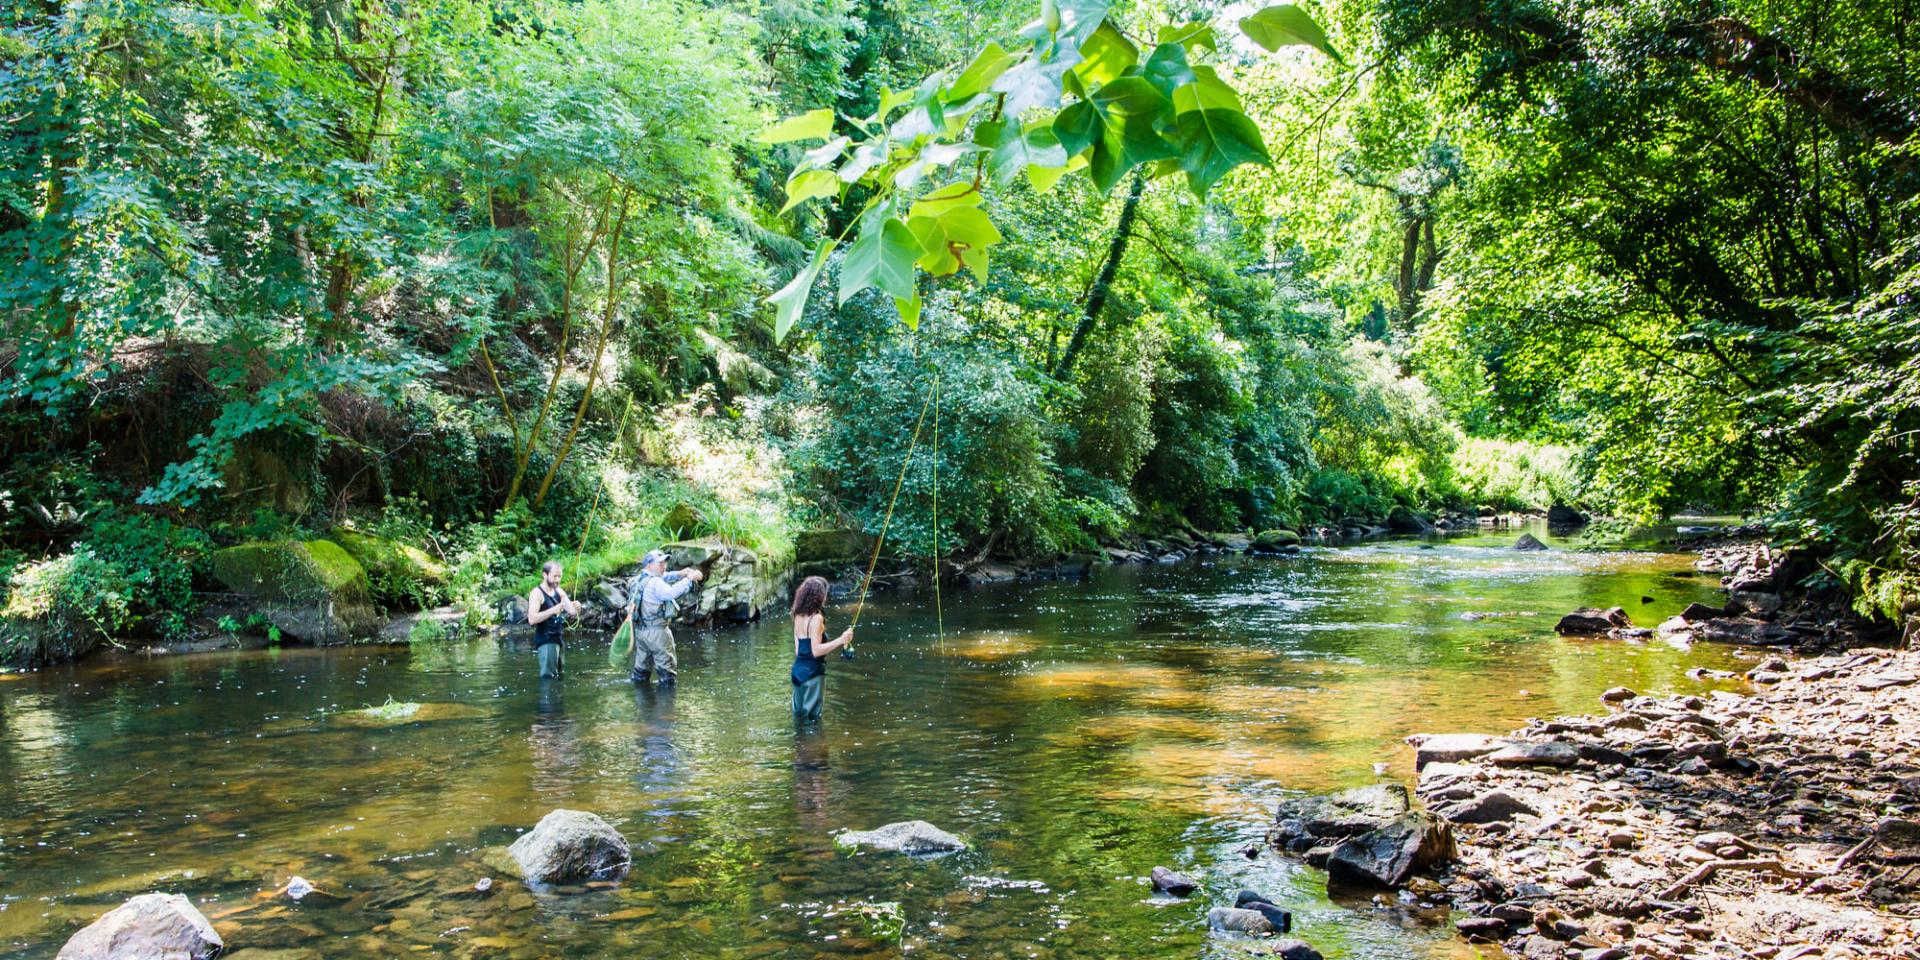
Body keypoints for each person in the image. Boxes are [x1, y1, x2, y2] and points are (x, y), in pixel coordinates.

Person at [625, 549, 703, 686]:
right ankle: (666, 705)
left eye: (664, 563)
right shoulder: (656, 583)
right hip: (658, 634)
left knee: (641, 673)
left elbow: (664, 576)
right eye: (660, 563)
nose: (664, 566)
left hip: (641, 632)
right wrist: (689, 579)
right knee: (667, 675)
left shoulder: (639, 579)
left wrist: (679, 574)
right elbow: (671, 593)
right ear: (649, 565)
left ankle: (642, 704)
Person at [789, 576, 852, 723]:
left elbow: (798, 650)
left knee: (799, 717)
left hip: (797, 672)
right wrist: (841, 640)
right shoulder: (816, 619)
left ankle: (798, 745)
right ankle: (813, 745)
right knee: (812, 719)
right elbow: (815, 651)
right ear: (819, 596)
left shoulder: (797, 614)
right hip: (813, 674)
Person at [526, 560, 581, 679]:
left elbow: (572, 612)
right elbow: (531, 619)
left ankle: (557, 698)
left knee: (560, 676)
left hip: (558, 640)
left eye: (559, 576)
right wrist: (553, 610)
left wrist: (577, 607)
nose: (557, 579)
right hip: (546, 641)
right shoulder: (537, 593)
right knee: (548, 678)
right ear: (545, 575)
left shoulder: (559, 592)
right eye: (554, 576)